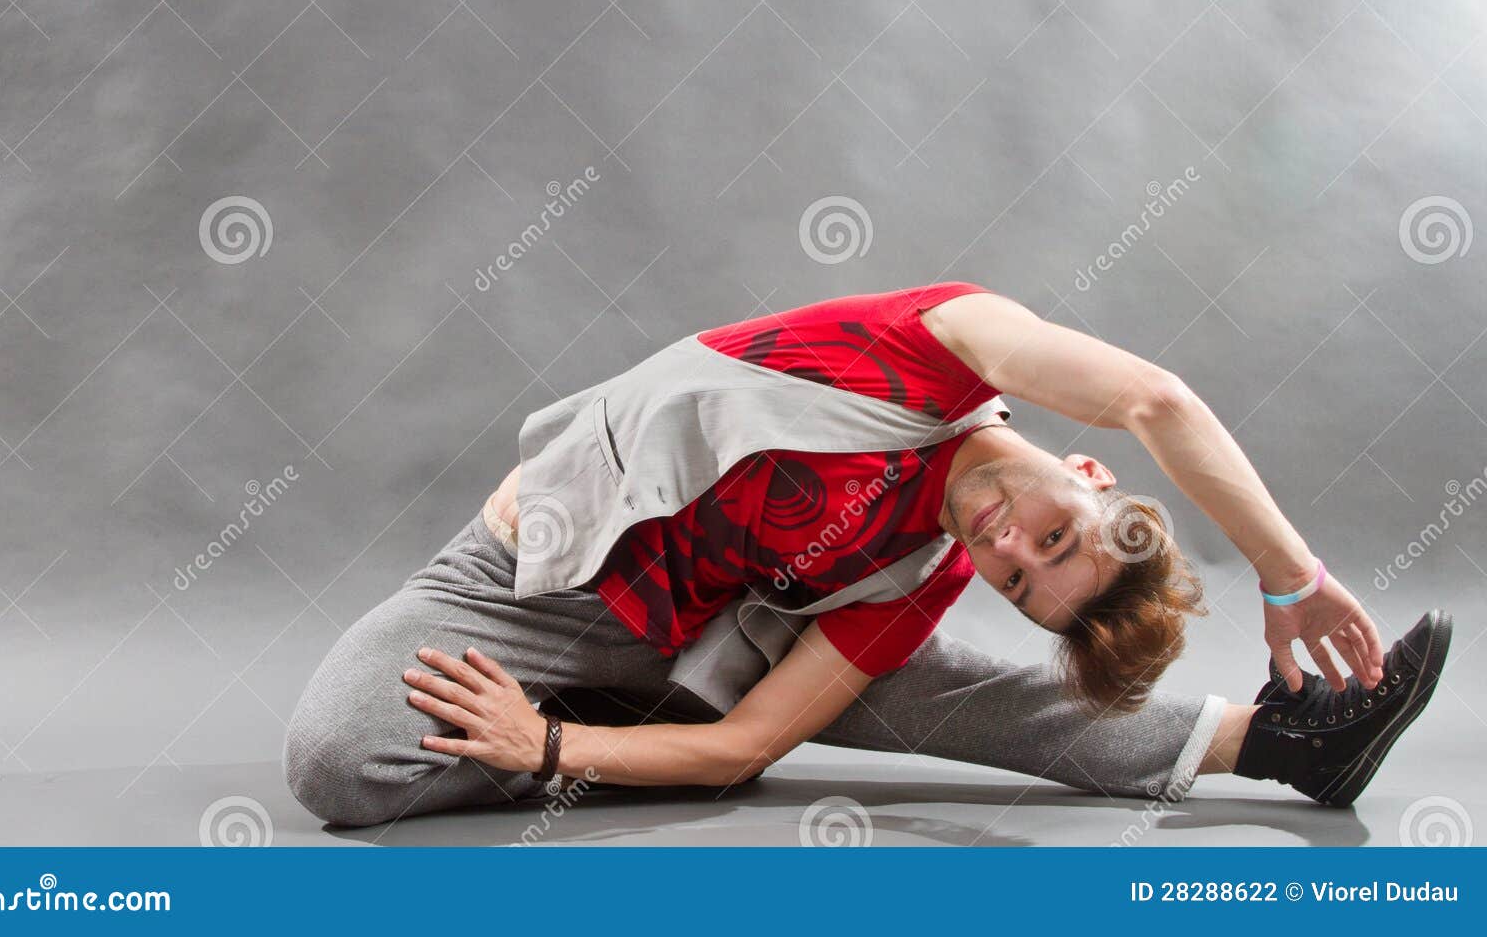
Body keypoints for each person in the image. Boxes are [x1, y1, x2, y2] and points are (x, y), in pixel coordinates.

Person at [283, 283, 1451, 827]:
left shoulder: (924, 571)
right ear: (1088, 472)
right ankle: (629, 740)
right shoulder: (941, 345)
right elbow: (1152, 393)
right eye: (1050, 538)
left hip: (705, 651)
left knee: (930, 683)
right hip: (539, 585)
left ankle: (1285, 739)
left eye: (1018, 581)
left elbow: (742, 745)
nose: (1007, 547)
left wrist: (549, 745)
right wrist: (1289, 575)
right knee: (338, 761)